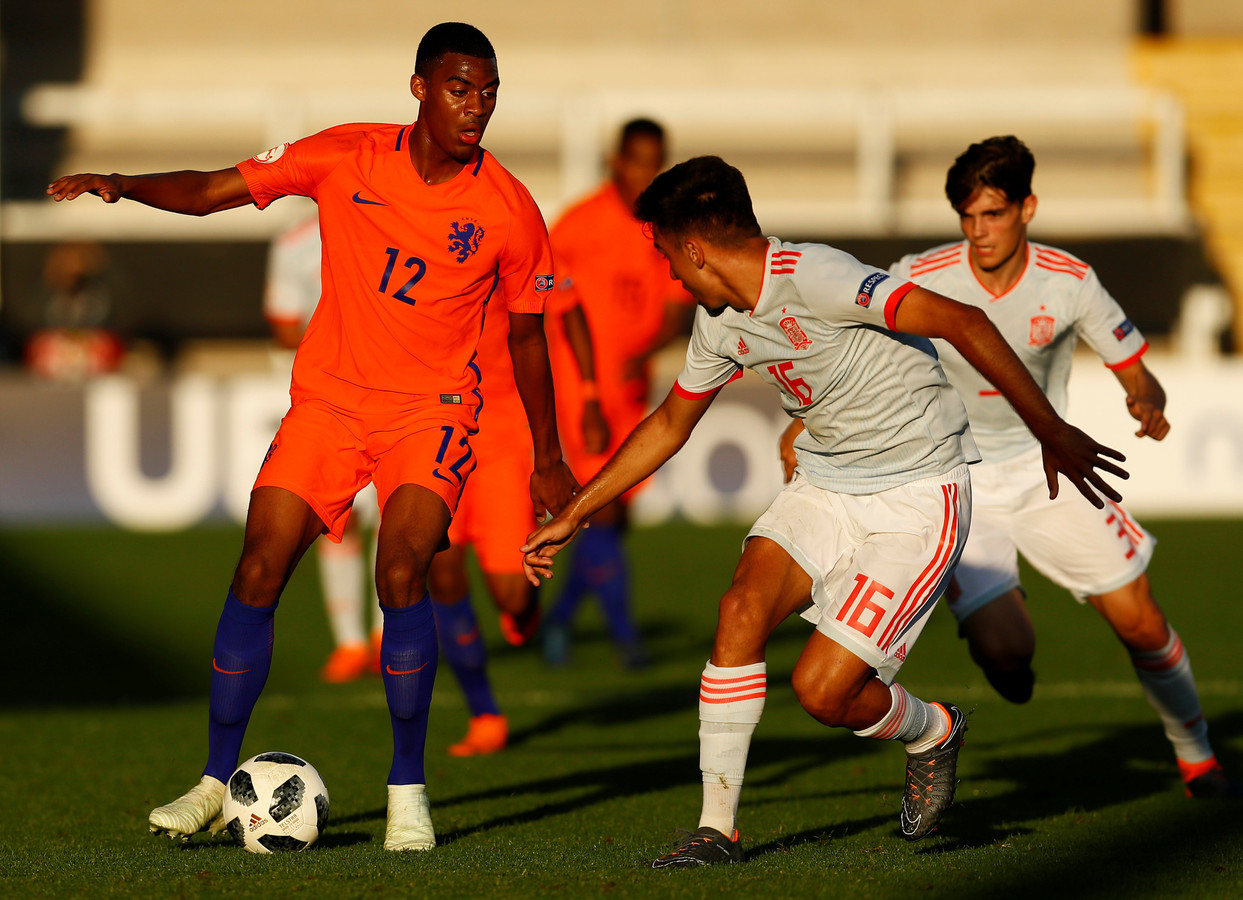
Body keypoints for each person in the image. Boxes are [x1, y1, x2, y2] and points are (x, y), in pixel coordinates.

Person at [47, 22, 576, 851]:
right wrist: (123, 183)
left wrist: (549, 457)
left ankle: (407, 793)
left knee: (401, 571)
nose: (476, 108)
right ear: (418, 88)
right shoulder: (346, 155)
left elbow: (529, 334)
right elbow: (218, 187)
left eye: (488, 92)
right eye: (458, 89)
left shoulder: (508, 208)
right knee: (259, 564)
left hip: (430, 412)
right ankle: (214, 782)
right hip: (328, 404)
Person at [521, 155, 1128, 866]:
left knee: (822, 693)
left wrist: (1050, 432)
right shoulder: (717, 321)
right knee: (739, 610)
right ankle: (716, 830)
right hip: (825, 485)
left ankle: (930, 730)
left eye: (664, 255)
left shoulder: (817, 275)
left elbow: (960, 320)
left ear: (692, 248)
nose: (667, 276)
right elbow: (668, 424)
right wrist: (576, 510)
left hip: (916, 496)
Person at [878, 135, 1236, 798]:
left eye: (993, 214)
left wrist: (1144, 400)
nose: (978, 232)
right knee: (1008, 654)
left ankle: (1198, 760)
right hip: (959, 478)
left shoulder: (1068, 281)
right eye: (967, 217)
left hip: (1050, 466)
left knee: (1140, 619)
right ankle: (1001, 656)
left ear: (1026, 208)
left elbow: (1136, 369)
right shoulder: (920, 275)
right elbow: (859, 350)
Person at [542, 118, 694, 668]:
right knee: (600, 515)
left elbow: (679, 307)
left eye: (656, 162)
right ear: (615, 161)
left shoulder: (661, 227)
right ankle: (627, 642)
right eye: (637, 161)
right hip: (581, 393)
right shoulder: (580, 224)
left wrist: (649, 343)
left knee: (615, 520)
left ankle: (558, 622)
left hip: (632, 393)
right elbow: (540, 288)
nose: (645, 173)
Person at [265, 215, 384, 683]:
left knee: (400, 513)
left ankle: (382, 637)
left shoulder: (404, 221)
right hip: (332, 398)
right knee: (342, 518)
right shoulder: (295, 243)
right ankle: (351, 642)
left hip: (402, 392)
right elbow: (283, 324)